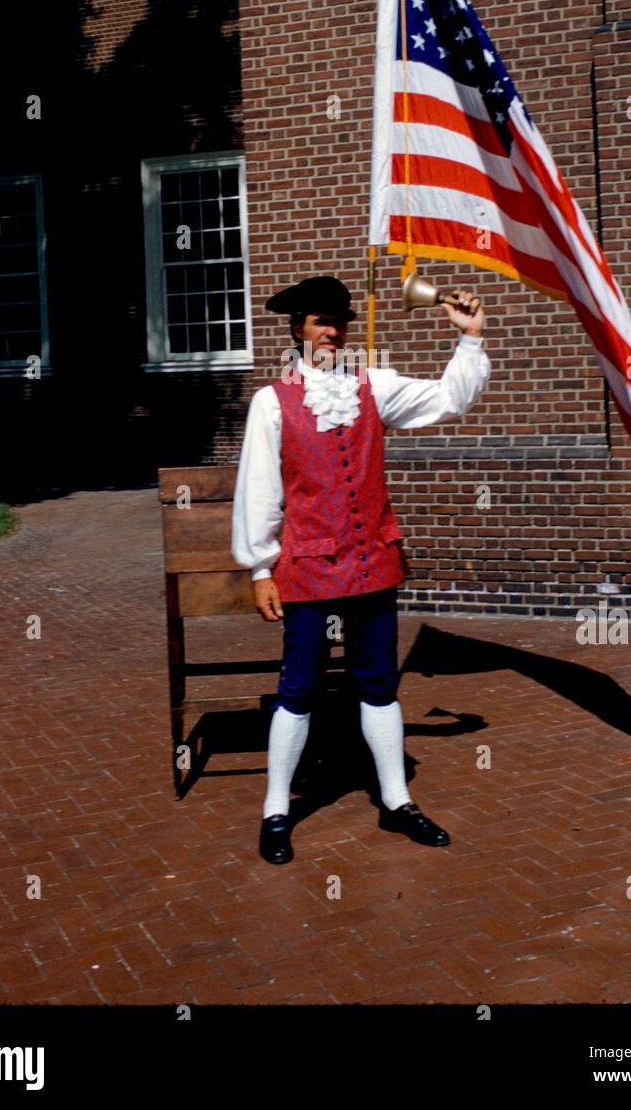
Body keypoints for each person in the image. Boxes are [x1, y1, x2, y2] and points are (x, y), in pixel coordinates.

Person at [231, 274, 490, 863]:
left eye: (338, 321)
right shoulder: (273, 401)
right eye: (320, 321)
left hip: (372, 561)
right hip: (308, 568)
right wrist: (259, 568)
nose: (331, 331)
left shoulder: (373, 384)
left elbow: (449, 398)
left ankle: (397, 802)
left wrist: (469, 340)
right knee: (299, 689)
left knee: (378, 684)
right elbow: (260, 492)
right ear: (297, 329)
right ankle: (276, 810)